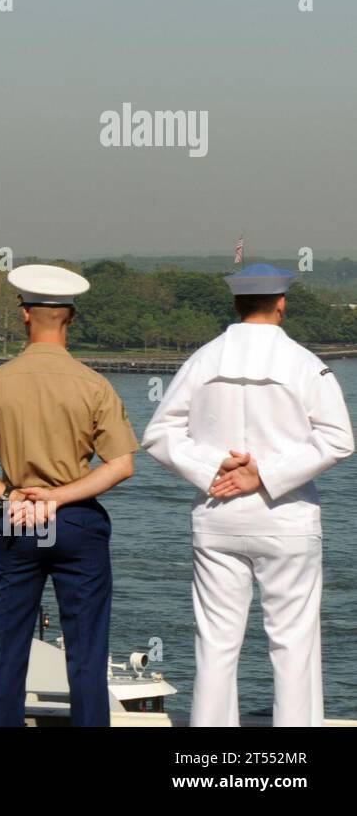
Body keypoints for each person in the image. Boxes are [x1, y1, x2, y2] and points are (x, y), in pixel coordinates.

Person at [142, 263, 353, 726]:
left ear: (235, 304)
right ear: (281, 303)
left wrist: (212, 467)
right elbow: (339, 439)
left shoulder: (202, 360)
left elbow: (158, 435)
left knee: (215, 643)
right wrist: (266, 475)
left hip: (217, 512)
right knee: (293, 641)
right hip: (286, 517)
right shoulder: (304, 363)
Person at [0, 264, 137, 727]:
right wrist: (60, 497)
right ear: (71, 317)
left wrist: (9, 495)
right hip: (76, 521)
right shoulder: (95, 385)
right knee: (87, 646)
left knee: (7, 642)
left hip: (19, 520)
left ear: (24, 316)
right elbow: (121, 466)